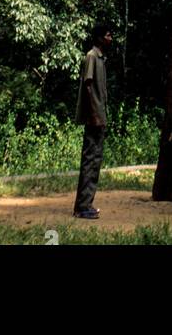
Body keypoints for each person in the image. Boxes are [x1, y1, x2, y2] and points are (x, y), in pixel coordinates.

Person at [73, 23, 113, 219]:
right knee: (90, 160)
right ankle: (82, 206)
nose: (110, 38)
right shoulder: (91, 56)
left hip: (100, 117)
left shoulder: (101, 58)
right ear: (98, 38)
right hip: (94, 118)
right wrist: (94, 115)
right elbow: (88, 87)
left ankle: (86, 203)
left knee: (95, 160)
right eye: (107, 35)